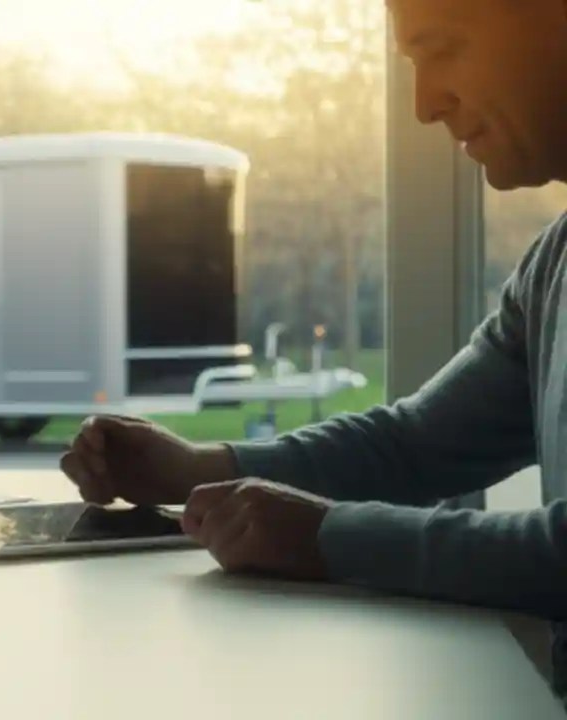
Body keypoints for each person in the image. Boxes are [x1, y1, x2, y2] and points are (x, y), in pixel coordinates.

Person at [60, 0, 567, 696]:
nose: (423, 105)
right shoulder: (554, 266)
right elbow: (415, 444)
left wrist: (325, 537)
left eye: (443, 49)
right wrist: (194, 467)